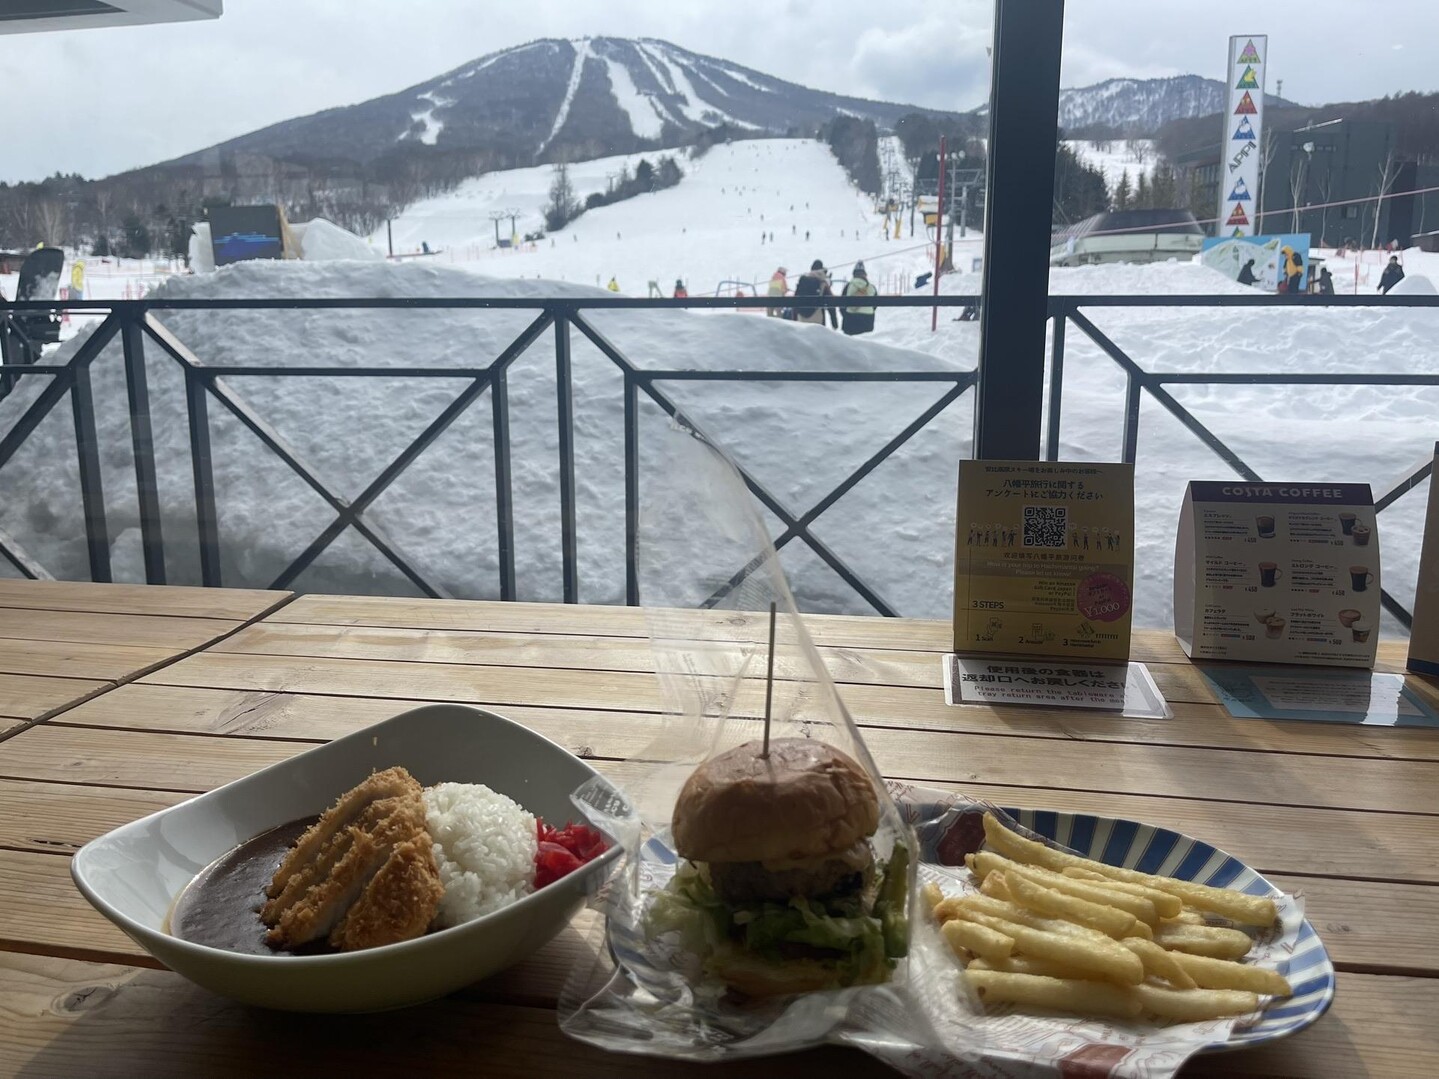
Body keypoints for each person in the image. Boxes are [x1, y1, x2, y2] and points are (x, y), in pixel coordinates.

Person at [792, 260, 837, 327]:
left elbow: (795, 302)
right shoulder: (823, 283)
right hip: (818, 320)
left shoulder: (803, 281)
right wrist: (834, 324)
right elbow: (831, 303)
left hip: (801, 320)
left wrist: (794, 320)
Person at [840, 261, 878, 336]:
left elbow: (842, 304)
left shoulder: (848, 286)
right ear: (865, 274)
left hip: (850, 320)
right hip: (867, 320)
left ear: (854, 274)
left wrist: (846, 315)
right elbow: (875, 305)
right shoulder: (871, 287)